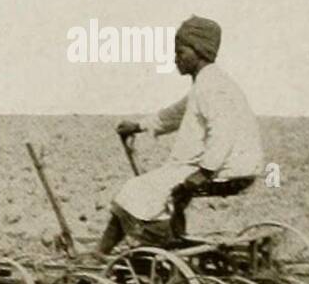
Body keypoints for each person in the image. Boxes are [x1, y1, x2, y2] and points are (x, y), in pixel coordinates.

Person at [97, 16, 264, 256]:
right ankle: (168, 239)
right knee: (166, 193)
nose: (176, 58)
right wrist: (138, 126)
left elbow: (223, 132)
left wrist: (204, 172)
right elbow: (174, 115)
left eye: (180, 51)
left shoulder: (212, 87)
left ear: (198, 51)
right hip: (235, 168)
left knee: (133, 190)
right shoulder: (210, 83)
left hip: (224, 169)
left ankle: (102, 255)